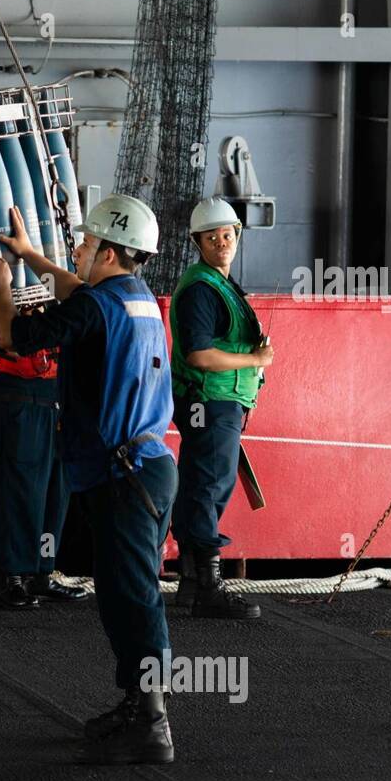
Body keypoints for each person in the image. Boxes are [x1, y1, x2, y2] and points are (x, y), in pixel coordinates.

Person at [0, 194, 176, 765]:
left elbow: (16, 337)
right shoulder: (135, 297)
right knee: (124, 595)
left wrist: (0, 281)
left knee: (134, 597)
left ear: (113, 251)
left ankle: (152, 723)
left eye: (88, 243)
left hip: (126, 478)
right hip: (148, 469)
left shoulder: (100, 306)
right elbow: (79, 293)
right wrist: (33, 257)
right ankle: (135, 704)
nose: (79, 248)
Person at [169, 197, 273, 620]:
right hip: (209, 402)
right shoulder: (201, 289)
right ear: (198, 242)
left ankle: (193, 586)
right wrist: (256, 361)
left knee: (205, 485)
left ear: (237, 234)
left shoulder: (219, 284)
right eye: (211, 237)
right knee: (208, 488)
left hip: (219, 404)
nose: (221, 242)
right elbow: (199, 355)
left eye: (226, 234)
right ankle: (207, 588)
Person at [0, 206, 88, 609]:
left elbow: (63, 286)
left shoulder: (82, 292)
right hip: (20, 390)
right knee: (22, 485)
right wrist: (1, 285)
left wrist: (28, 255)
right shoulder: (83, 290)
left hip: (57, 395)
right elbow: (7, 337)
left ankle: (43, 571)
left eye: (86, 246)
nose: (78, 251)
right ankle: (14, 575)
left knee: (55, 487)